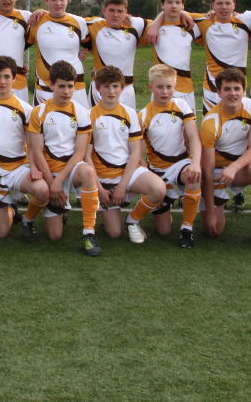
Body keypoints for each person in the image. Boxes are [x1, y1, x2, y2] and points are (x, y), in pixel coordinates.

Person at [198, 68, 251, 249]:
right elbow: (207, 170)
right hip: (217, 174)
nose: (233, 93)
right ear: (219, 92)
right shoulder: (210, 123)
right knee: (213, 231)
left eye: (237, 88)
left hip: (238, 169)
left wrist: (234, 167)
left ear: (244, 90)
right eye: (227, 89)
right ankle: (212, 204)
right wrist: (211, 212)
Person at [25, 61, 101, 256]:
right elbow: (37, 151)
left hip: (71, 169)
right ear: (51, 85)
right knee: (54, 235)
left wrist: (59, 181)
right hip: (48, 171)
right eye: (61, 86)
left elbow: (80, 152)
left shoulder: (82, 113)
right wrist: (52, 183)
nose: (66, 91)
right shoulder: (39, 112)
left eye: (70, 86)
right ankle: (28, 219)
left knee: (88, 172)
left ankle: (89, 233)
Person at [0, 55, 50, 239]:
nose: (2, 81)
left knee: (42, 190)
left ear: (14, 78)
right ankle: (11, 209)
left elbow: (33, 144)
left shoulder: (26, 109)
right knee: (2, 233)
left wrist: (34, 167)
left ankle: (28, 219)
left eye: (7, 76)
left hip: (19, 170)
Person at [125, 64, 202, 248]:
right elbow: (137, 149)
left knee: (193, 177)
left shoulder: (181, 105)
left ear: (175, 87)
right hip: (158, 171)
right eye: (160, 87)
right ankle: (134, 217)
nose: (165, 91)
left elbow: (193, 137)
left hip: (181, 164)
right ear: (151, 87)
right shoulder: (144, 115)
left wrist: (195, 163)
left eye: (169, 87)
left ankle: (187, 229)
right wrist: (145, 169)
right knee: (163, 230)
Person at [86, 65, 166, 242]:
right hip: (104, 179)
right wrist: (99, 189)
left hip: (128, 174)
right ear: (98, 88)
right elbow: (86, 156)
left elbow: (135, 151)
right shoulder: (89, 116)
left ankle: (132, 219)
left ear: (122, 88)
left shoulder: (130, 114)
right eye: (106, 86)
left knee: (158, 188)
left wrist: (123, 186)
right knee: (114, 233)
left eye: (115, 86)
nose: (111, 91)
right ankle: (105, 209)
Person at [193, 0, 251, 115]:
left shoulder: (245, 21)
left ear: (234, 5)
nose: (224, 7)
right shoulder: (204, 21)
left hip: (237, 88)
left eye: (228, 3)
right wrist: (157, 23)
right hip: (212, 88)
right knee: (211, 125)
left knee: (238, 125)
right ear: (213, 5)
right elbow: (177, 12)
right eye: (219, 3)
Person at [27, 0, 89, 108]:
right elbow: (18, 45)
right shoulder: (36, 22)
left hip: (75, 87)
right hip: (45, 88)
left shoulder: (80, 22)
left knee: (80, 121)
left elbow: (92, 44)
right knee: (42, 121)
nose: (58, 3)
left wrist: (82, 52)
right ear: (46, 0)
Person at [84, 0, 148, 109]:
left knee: (128, 121)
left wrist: (182, 13)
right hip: (100, 89)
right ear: (104, 10)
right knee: (97, 121)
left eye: (120, 11)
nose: (115, 15)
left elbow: (163, 22)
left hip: (127, 90)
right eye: (112, 10)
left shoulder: (135, 25)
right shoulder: (94, 24)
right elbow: (68, 21)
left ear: (126, 12)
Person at [144, 0, 201, 113]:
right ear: (162, 5)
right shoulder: (151, 28)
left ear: (183, 5)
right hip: (161, 89)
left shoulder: (192, 26)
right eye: (169, 2)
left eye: (177, 2)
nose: (174, 6)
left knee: (188, 125)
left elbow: (214, 17)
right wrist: (156, 23)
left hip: (186, 90)